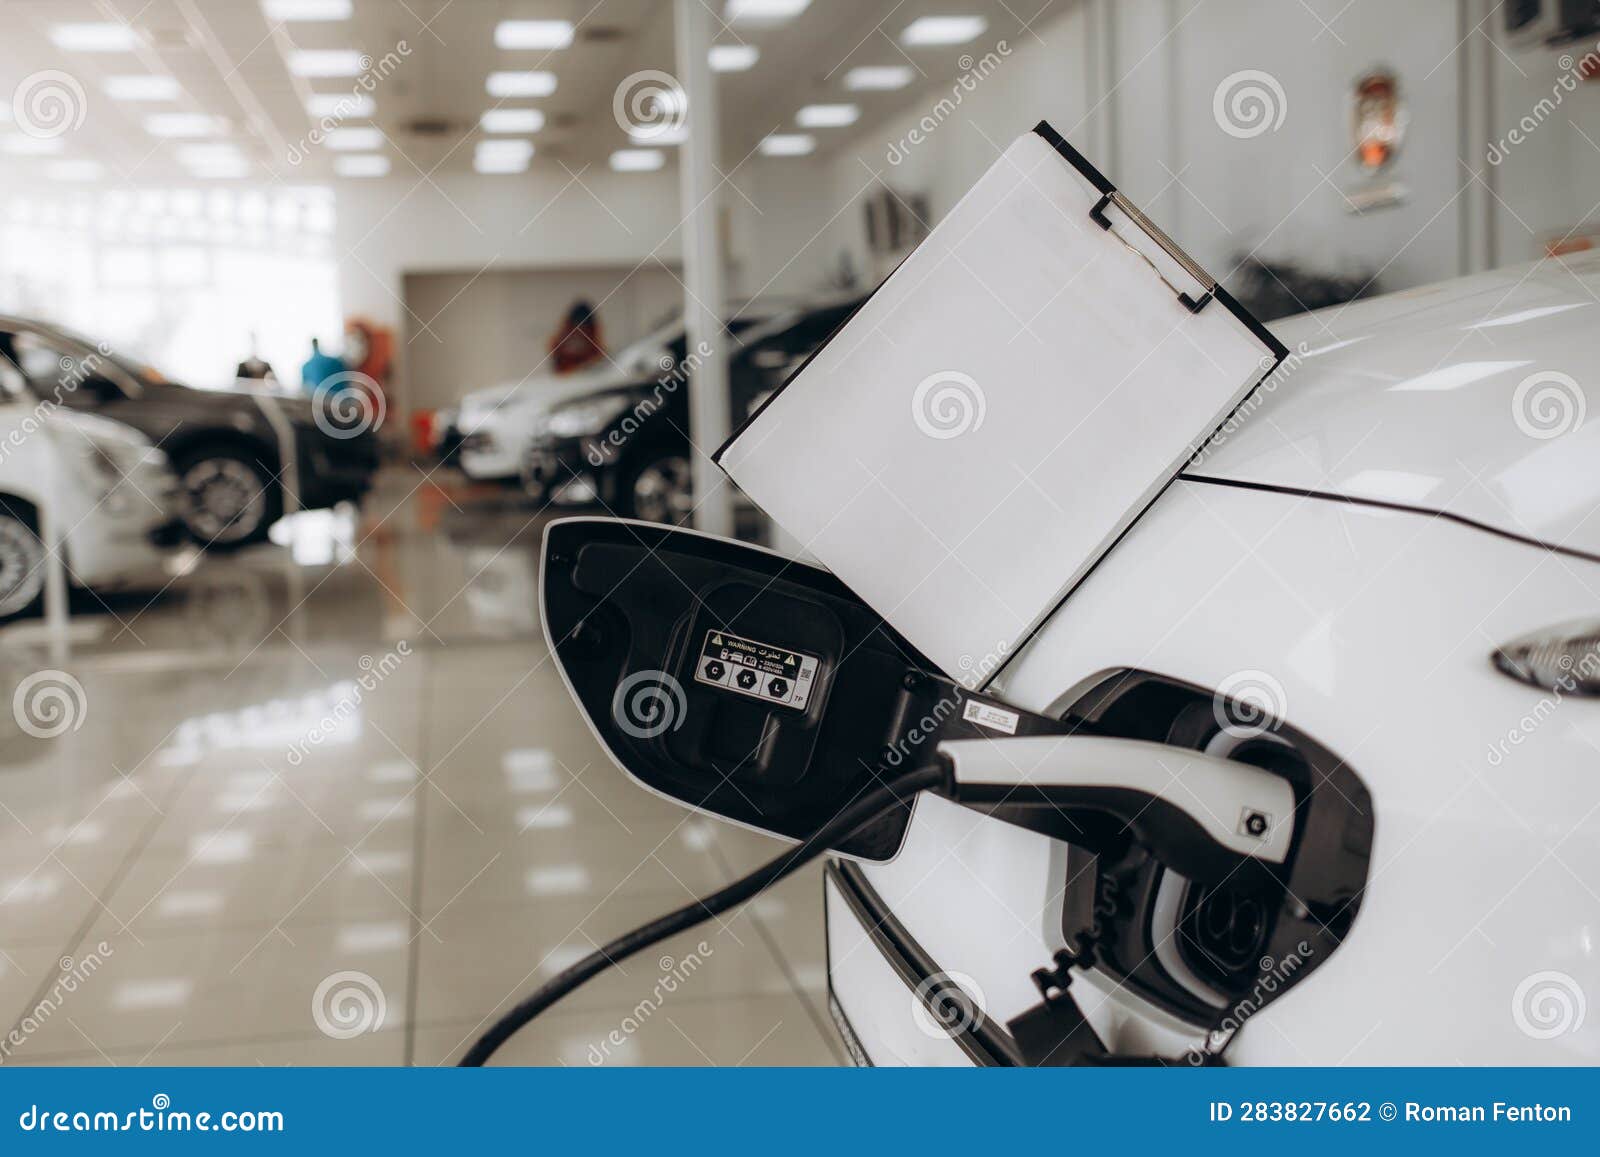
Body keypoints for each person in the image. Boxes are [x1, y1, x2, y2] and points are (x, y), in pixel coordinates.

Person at [548, 300, 605, 374]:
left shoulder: (591, 333)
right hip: (565, 376)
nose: (580, 329)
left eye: (583, 326)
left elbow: (597, 355)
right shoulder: (565, 332)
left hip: (586, 374)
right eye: (577, 324)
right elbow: (554, 349)